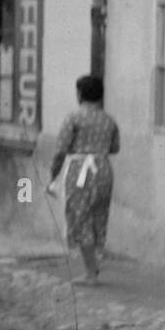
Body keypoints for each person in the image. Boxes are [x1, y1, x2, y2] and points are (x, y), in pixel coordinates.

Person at [49, 75, 119, 285]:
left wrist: (53, 175)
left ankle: (91, 273)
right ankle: (93, 268)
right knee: (98, 216)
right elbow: (115, 148)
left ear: (79, 94)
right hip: (104, 170)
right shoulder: (109, 120)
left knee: (80, 218)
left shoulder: (74, 118)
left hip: (81, 171)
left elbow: (60, 149)